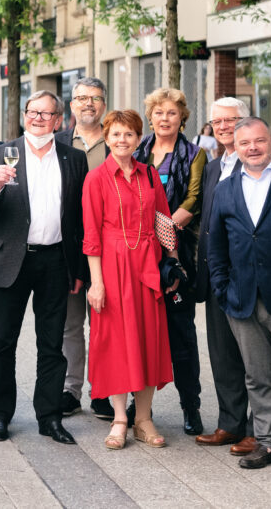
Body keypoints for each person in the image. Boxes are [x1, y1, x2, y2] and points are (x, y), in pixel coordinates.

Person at [0, 91, 88, 444]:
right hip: (11, 260)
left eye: (46, 113)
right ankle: (0, 414)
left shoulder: (73, 158)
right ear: (25, 115)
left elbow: (79, 218)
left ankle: (49, 417)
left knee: (51, 343)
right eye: (32, 111)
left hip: (55, 261)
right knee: (3, 342)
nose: (38, 118)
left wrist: (79, 269)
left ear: (58, 120)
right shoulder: (1, 154)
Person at [83, 110, 179, 450]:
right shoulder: (96, 178)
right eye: (116, 134)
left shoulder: (149, 175)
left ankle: (144, 418)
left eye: (129, 134)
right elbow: (91, 236)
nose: (122, 140)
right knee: (115, 343)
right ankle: (120, 418)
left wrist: (173, 264)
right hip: (112, 269)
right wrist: (96, 283)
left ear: (139, 139)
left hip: (147, 267)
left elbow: (164, 221)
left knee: (148, 339)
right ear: (106, 138)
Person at [133, 87, 207, 436]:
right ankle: (139, 405)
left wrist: (162, 228)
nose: (165, 118)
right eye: (159, 112)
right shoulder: (138, 150)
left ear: (182, 118)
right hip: (139, 253)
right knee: (142, 332)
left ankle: (190, 406)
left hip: (178, 253)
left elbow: (193, 198)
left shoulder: (195, 154)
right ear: (150, 117)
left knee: (181, 335)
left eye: (172, 113)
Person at [208, 117, 271, 469]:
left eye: (259, 140)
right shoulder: (226, 188)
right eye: (245, 142)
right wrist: (222, 288)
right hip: (242, 297)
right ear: (236, 147)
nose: (253, 148)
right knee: (258, 375)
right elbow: (216, 246)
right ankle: (268, 442)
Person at [195, 98, 257, 456]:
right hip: (218, 276)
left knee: (256, 358)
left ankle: (258, 428)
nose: (222, 127)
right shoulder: (213, 167)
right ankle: (230, 423)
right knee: (222, 354)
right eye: (216, 121)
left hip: (249, 277)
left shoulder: (258, 165)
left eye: (229, 120)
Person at [54, 77, 113, 421]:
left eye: (95, 97)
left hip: (110, 249)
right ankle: (70, 390)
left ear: (104, 104)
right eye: (81, 98)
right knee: (70, 324)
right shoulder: (57, 142)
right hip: (68, 248)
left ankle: (103, 391)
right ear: (71, 104)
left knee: (105, 324)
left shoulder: (117, 141)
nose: (88, 103)